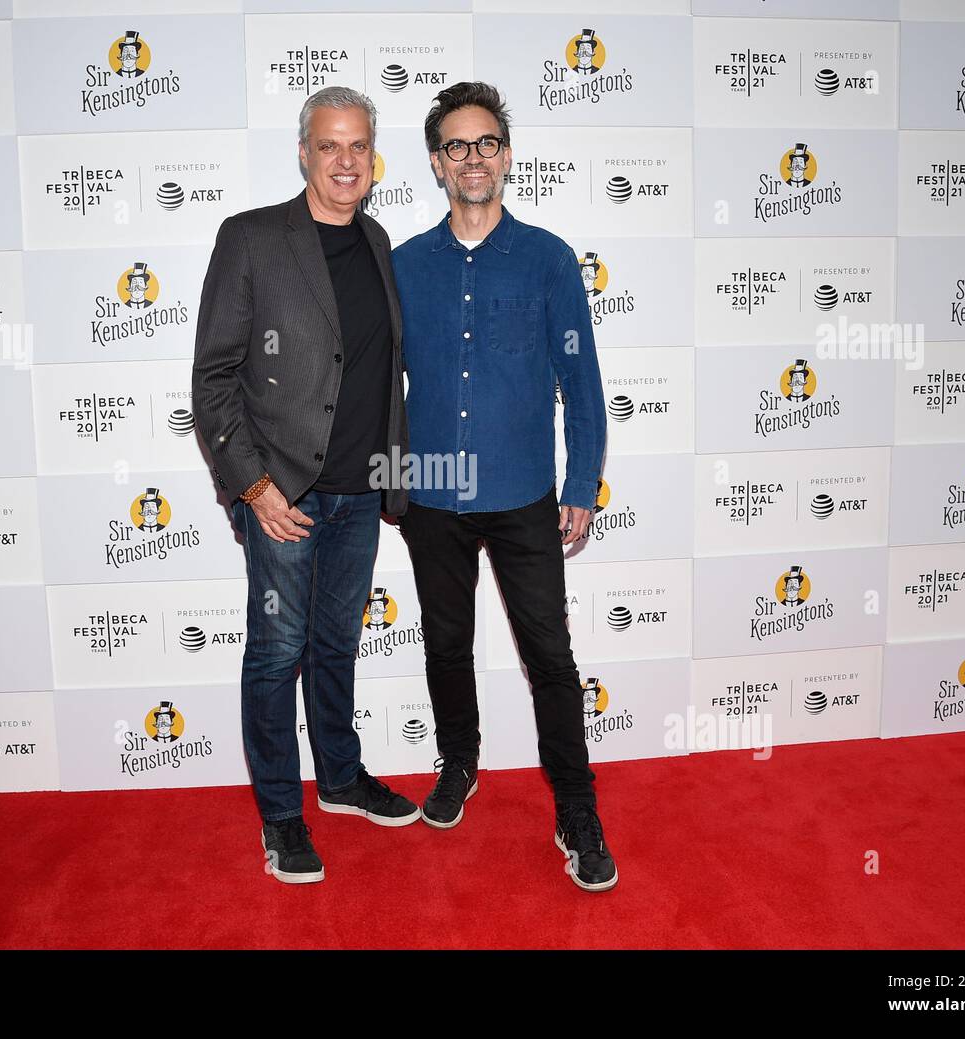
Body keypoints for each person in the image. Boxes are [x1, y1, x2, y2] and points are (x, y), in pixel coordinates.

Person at [391, 81, 617, 892]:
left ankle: (577, 807)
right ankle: (460, 762)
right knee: (446, 645)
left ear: (507, 156)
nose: (474, 157)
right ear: (435, 164)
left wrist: (582, 483)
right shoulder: (405, 263)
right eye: (457, 145)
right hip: (434, 496)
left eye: (487, 142)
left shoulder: (550, 258)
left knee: (550, 657)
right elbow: (376, 381)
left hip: (525, 494)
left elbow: (582, 383)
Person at [191, 86, 419, 886]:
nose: (346, 161)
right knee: (277, 650)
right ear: (303, 152)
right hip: (282, 494)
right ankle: (282, 817)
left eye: (358, 145)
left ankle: (343, 779)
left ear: (373, 154)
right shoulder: (251, 238)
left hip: (360, 490)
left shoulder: (380, 240)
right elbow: (213, 379)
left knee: (337, 643)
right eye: (330, 146)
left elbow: (382, 372)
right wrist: (253, 487)